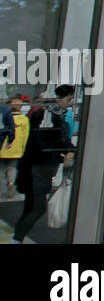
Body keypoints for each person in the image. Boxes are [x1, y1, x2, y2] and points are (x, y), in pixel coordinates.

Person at [12, 85, 76, 243]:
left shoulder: (46, 114)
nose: (70, 103)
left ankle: (16, 239)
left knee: (31, 207)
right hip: (39, 168)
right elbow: (47, 143)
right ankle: (16, 240)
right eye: (69, 100)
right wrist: (66, 152)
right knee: (38, 207)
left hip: (33, 166)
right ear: (60, 98)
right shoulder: (49, 116)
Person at [1, 95, 29, 199]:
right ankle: (11, 183)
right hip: (15, 149)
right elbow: (25, 136)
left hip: (3, 147)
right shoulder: (24, 119)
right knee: (12, 167)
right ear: (20, 108)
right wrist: (22, 149)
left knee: (0, 168)